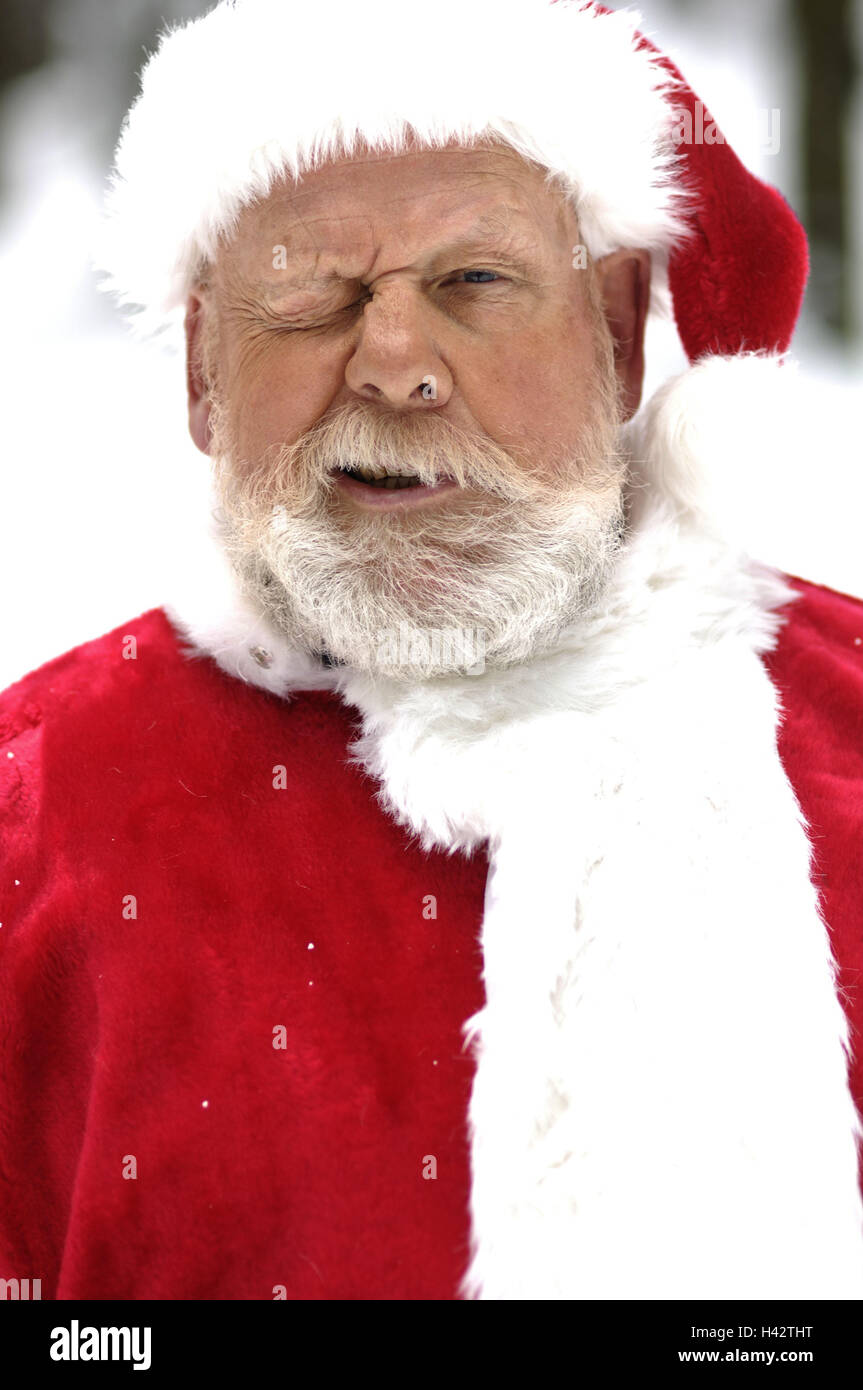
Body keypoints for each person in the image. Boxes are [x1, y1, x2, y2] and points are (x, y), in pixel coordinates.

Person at [1, 0, 861, 1300]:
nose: (396, 363)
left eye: (474, 283)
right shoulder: (33, 813)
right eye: (305, 292)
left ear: (623, 332)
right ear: (200, 372)